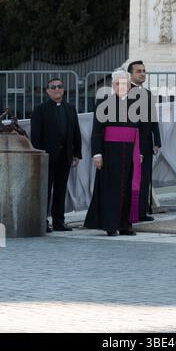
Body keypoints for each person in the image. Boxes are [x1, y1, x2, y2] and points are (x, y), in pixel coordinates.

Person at [84, 70, 146, 236]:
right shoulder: (103, 103)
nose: (121, 86)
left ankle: (125, 224)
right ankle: (110, 224)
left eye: (124, 83)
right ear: (113, 86)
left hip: (130, 152)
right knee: (111, 189)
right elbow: (97, 131)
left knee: (127, 187)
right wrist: (97, 154)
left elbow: (140, 131)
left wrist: (138, 151)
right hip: (110, 152)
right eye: (118, 83)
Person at [31, 78, 82, 232]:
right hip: (47, 157)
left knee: (61, 190)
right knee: (45, 191)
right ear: (47, 91)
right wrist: (38, 155)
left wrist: (77, 153)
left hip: (65, 157)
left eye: (59, 86)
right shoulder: (40, 109)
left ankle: (59, 222)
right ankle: (43, 222)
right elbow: (36, 136)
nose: (57, 89)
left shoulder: (70, 108)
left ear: (63, 90)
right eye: (53, 87)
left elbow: (76, 132)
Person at [127, 60, 161, 221]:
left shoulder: (147, 93)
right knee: (132, 177)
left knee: (145, 177)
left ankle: (141, 211)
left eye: (144, 71)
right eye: (139, 71)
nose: (142, 73)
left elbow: (154, 118)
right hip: (132, 141)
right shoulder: (126, 92)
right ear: (131, 74)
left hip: (147, 143)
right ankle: (130, 212)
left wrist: (157, 141)